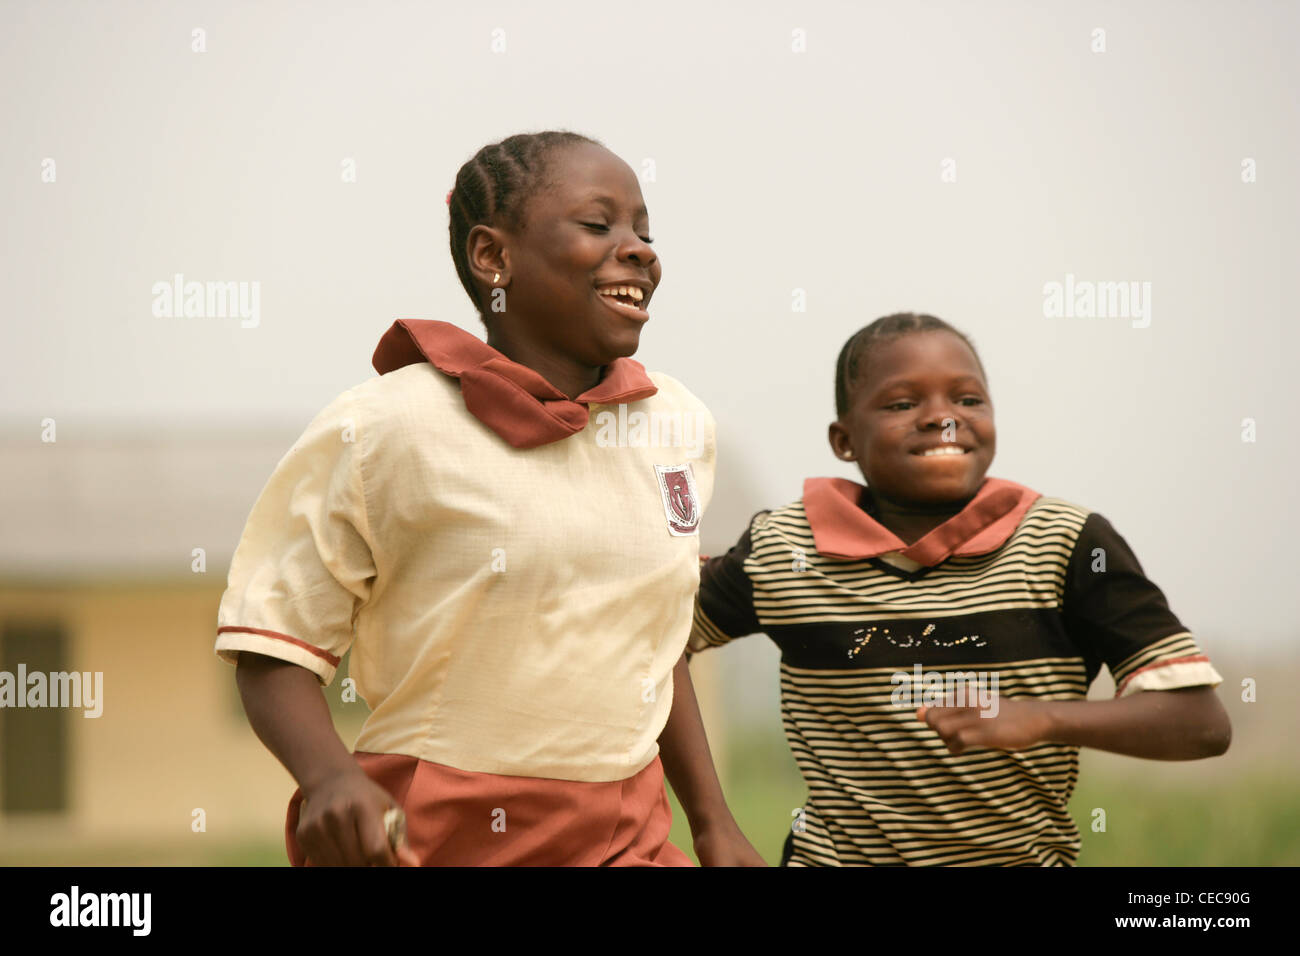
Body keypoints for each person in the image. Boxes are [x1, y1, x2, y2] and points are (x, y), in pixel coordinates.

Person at [215, 130, 764, 866]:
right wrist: (329, 778)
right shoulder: (387, 426)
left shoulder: (675, 423)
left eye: (644, 231)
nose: (639, 249)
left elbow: (654, 640)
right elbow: (270, 642)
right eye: (599, 225)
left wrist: (712, 821)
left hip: (628, 833)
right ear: (492, 256)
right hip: (442, 832)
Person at [688, 312, 1231, 866]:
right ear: (844, 439)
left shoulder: (1066, 544)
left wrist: (1039, 716)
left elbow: (1200, 723)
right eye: (903, 403)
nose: (942, 418)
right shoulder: (785, 549)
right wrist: (712, 823)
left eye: (968, 400)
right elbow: (648, 641)